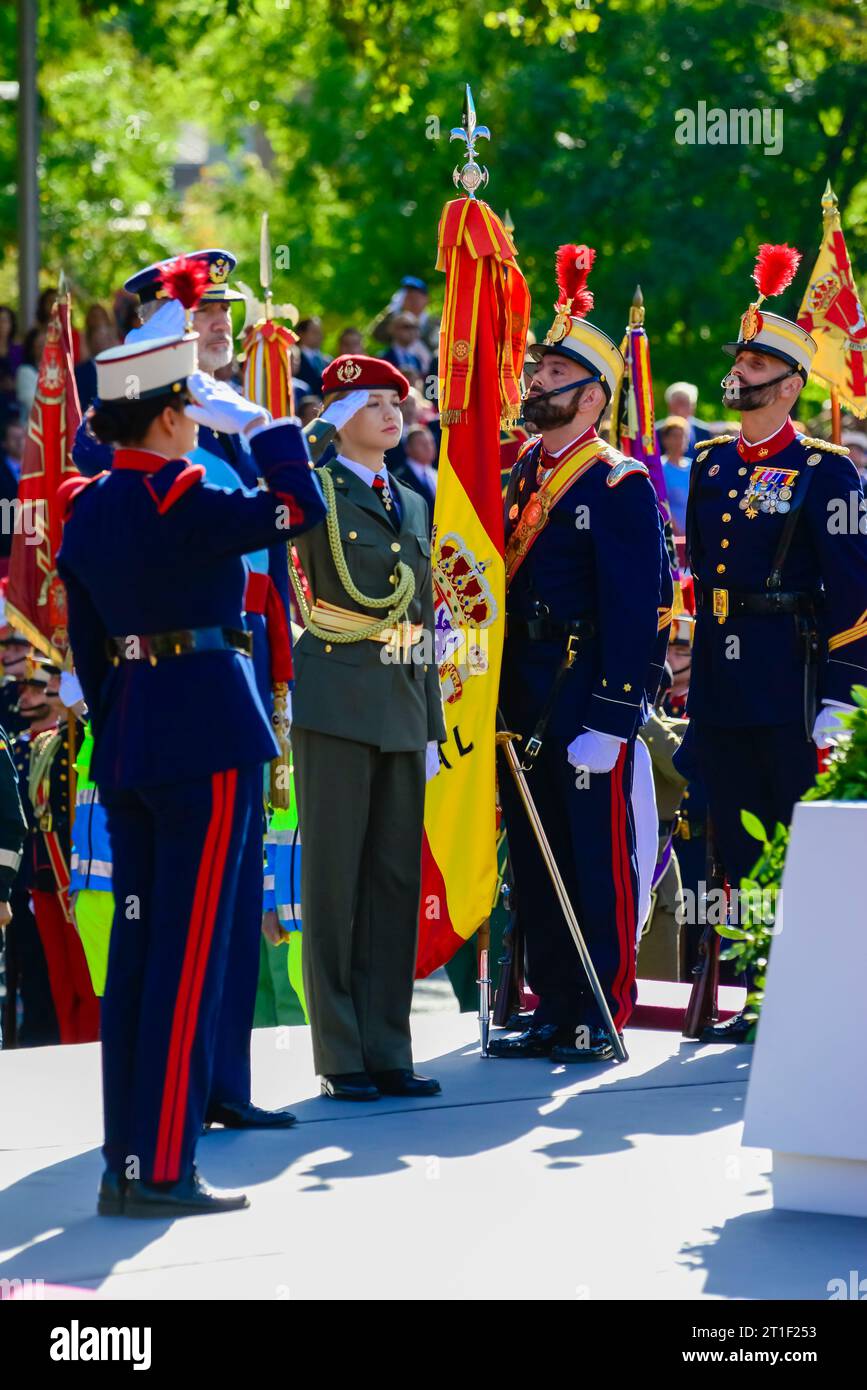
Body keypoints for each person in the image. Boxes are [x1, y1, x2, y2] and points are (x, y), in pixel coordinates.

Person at [56, 326, 325, 1217]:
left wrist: (122, 714)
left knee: (138, 953)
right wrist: (265, 429)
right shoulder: (183, 496)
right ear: (175, 417)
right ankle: (163, 1169)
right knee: (192, 951)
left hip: (130, 736)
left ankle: (125, 1158)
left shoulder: (88, 504)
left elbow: (90, 648)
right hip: (206, 735)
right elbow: (298, 507)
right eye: (190, 411)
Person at [679, 242, 867, 1042]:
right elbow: (696, 577)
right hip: (723, 685)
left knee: (789, 839)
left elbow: (855, 592)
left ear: (789, 384)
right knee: (728, 842)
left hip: (790, 678)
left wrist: (838, 695)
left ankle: (798, 1001)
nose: (740, 371)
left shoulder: (826, 471)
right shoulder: (712, 462)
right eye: (740, 358)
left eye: (757, 362)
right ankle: (750, 994)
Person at [489, 244, 666, 1064]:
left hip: (581, 688)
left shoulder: (617, 484)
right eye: (534, 370)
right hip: (518, 690)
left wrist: (612, 714)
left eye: (552, 373)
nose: (532, 384)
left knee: (591, 858)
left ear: (591, 395)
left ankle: (601, 1003)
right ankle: (552, 1003)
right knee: (534, 855)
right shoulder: (519, 471)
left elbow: (639, 611)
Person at [289, 353, 445, 1101]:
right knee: (334, 880)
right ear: (340, 414)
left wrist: (435, 725)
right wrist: (319, 429)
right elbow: (282, 481)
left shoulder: (414, 500)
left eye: (396, 401)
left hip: (401, 705)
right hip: (336, 699)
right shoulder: (312, 488)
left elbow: (422, 620)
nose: (393, 413)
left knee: (392, 879)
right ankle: (342, 1053)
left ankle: (389, 1045)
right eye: (373, 402)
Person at [659, 413, 693, 535]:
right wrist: (676, 530)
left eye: (682, 436)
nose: (679, 441)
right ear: (665, 439)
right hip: (671, 534)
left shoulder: (694, 466)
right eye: (674, 436)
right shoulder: (659, 467)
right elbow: (661, 502)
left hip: (693, 534)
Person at [660, 381, 711, 454]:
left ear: (693, 406)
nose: (682, 407)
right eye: (679, 402)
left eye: (686, 403)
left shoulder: (704, 431)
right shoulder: (657, 431)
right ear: (669, 405)